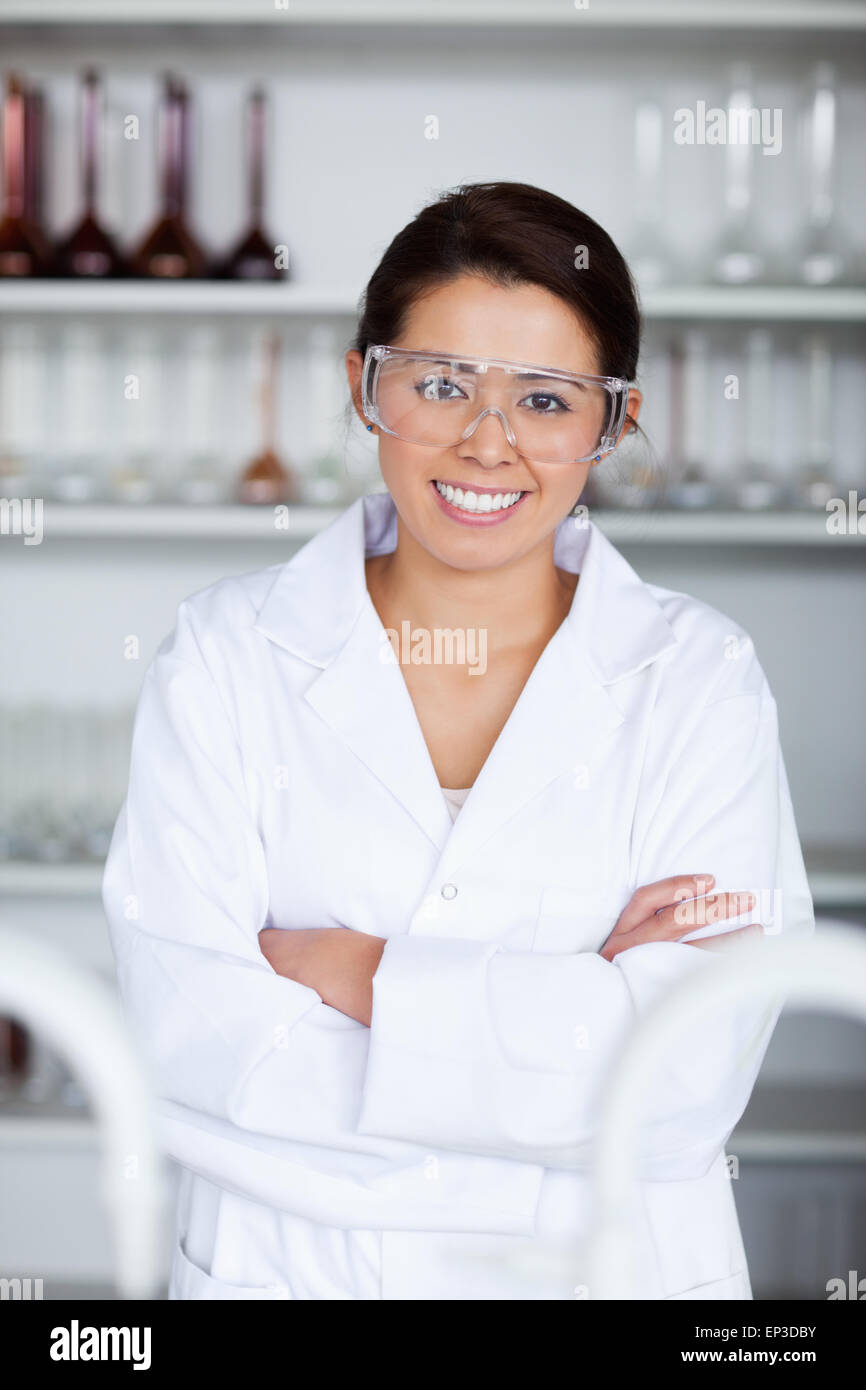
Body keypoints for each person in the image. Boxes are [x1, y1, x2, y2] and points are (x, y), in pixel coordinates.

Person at [102, 181, 814, 1300]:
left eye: (545, 399)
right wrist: (576, 1016)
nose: (487, 444)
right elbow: (198, 1047)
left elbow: (684, 1082)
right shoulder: (226, 654)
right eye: (439, 385)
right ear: (364, 388)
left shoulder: (698, 679)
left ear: (612, 422)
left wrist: (367, 975)